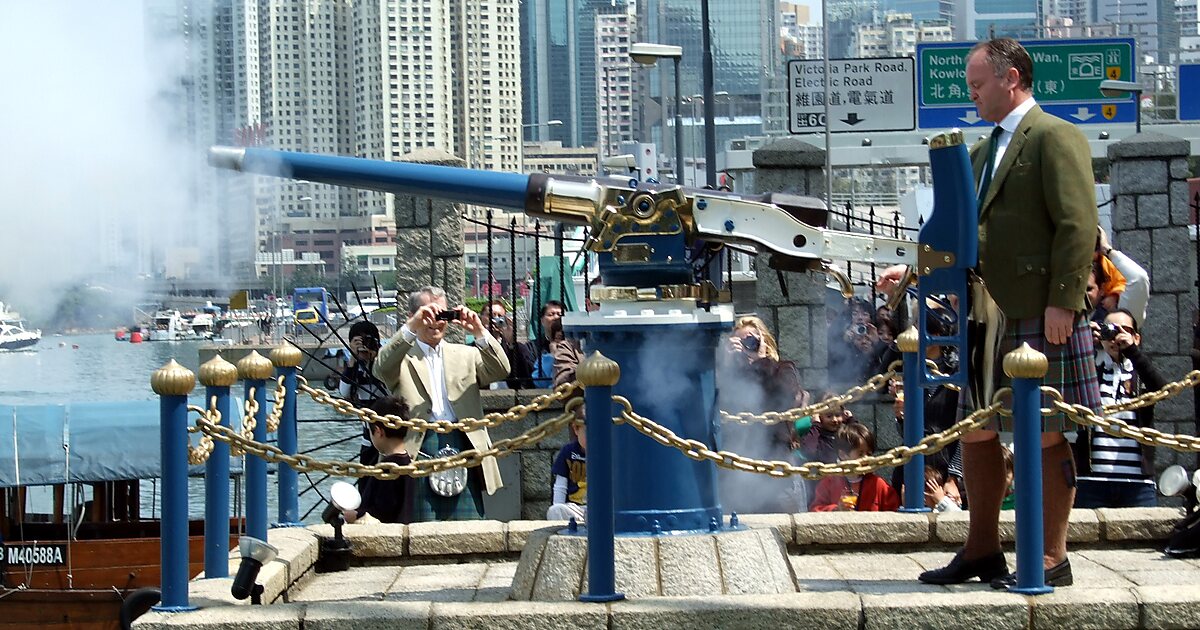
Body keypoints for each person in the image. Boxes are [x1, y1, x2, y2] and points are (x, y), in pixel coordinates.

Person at [880, 38, 1100, 590]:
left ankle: (1052, 556)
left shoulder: (1055, 135)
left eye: (978, 83)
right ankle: (982, 551)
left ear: (1012, 77)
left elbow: (1077, 224)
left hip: (1037, 310)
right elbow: (961, 230)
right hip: (984, 313)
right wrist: (926, 278)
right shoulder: (979, 153)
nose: (971, 92)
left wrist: (1064, 302)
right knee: (975, 432)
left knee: (1048, 432)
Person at [373, 286, 510, 521]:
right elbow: (381, 368)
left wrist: (479, 332)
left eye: (442, 315)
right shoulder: (401, 357)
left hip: (464, 443)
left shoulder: (466, 354)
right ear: (413, 317)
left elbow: (501, 369)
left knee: (471, 529)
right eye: (428, 315)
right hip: (418, 447)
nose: (436, 322)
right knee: (419, 528)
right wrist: (411, 327)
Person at [1073, 308, 1166, 508]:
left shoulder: (1140, 374)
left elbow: (1162, 390)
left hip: (1137, 484)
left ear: (1136, 337)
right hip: (1093, 482)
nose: (1116, 335)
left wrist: (1132, 351)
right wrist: (1083, 344)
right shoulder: (1092, 372)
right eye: (1111, 329)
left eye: (1124, 330)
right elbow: (1068, 390)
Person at [716, 316, 806, 513]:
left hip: (777, 468)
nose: (748, 346)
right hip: (739, 471)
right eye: (741, 342)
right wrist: (726, 364)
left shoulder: (783, 369)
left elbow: (781, 395)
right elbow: (718, 402)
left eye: (752, 340)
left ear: (764, 340)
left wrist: (761, 360)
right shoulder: (730, 375)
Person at [344, 396, 417, 525]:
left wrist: (355, 515)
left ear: (378, 431)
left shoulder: (387, 469)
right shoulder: (409, 463)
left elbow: (383, 511)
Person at [809, 423, 899, 512]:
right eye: (860, 454)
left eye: (869, 454)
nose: (866, 458)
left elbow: (894, 511)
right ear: (843, 455)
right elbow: (815, 510)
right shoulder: (829, 482)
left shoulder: (878, 484)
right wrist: (835, 509)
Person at [338, 320, 389, 472]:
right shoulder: (355, 367)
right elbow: (344, 392)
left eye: (367, 340)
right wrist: (353, 359)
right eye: (358, 340)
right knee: (366, 483)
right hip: (368, 436)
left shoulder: (384, 364)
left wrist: (376, 359)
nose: (363, 345)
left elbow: (392, 389)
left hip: (391, 432)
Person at [547, 409, 587, 523]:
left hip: (600, 508)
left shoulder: (608, 452)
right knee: (555, 510)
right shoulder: (568, 451)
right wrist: (557, 506)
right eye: (587, 432)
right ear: (576, 429)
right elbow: (560, 485)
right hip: (576, 508)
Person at [485, 300, 530, 389]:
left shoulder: (516, 347)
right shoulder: (473, 347)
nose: (495, 319)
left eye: (500, 316)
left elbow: (526, 373)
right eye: (491, 315)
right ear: (481, 317)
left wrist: (511, 343)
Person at [521, 300, 566, 388]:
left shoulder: (575, 343)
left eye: (560, 314)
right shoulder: (531, 347)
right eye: (551, 314)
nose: (556, 317)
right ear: (542, 320)